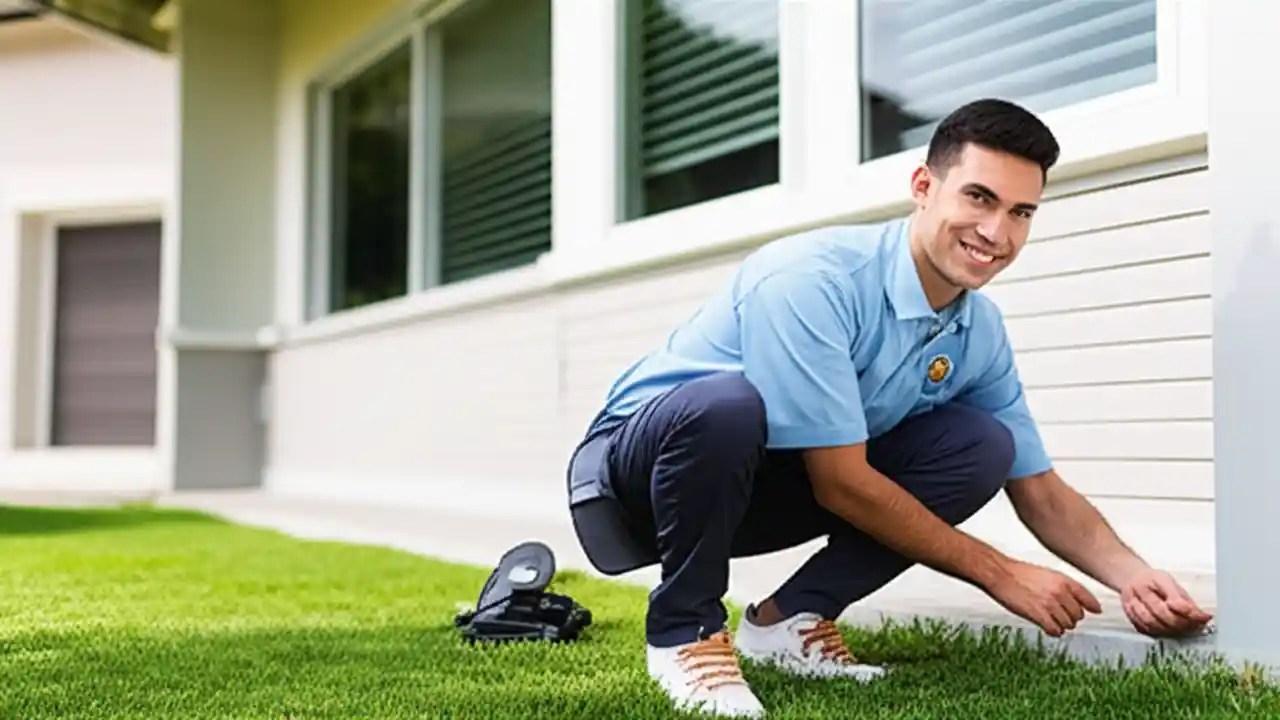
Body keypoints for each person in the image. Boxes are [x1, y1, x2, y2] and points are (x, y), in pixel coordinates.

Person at [564, 98, 1214, 718]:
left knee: (983, 445)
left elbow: (1036, 487)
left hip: (760, 485)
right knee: (728, 405)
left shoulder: (976, 329)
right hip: (636, 488)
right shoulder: (811, 279)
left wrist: (1134, 577)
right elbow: (841, 484)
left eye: (1022, 212)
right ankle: (685, 633)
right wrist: (1000, 572)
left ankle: (789, 622)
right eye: (979, 197)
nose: (997, 232)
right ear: (923, 186)